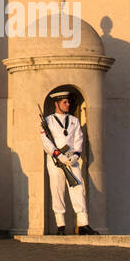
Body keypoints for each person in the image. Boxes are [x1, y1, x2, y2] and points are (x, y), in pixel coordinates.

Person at [41, 90, 96, 235]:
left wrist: (76, 155)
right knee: (58, 190)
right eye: (64, 102)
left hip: (72, 160)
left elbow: (79, 138)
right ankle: (60, 225)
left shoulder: (73, 120)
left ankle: (83, 223)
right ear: (57, 103)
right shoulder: (48, 121)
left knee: (78, 189)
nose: (67, 104)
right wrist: (58, 155)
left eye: (68, 102)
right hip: (56, 160)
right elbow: (46, 142)